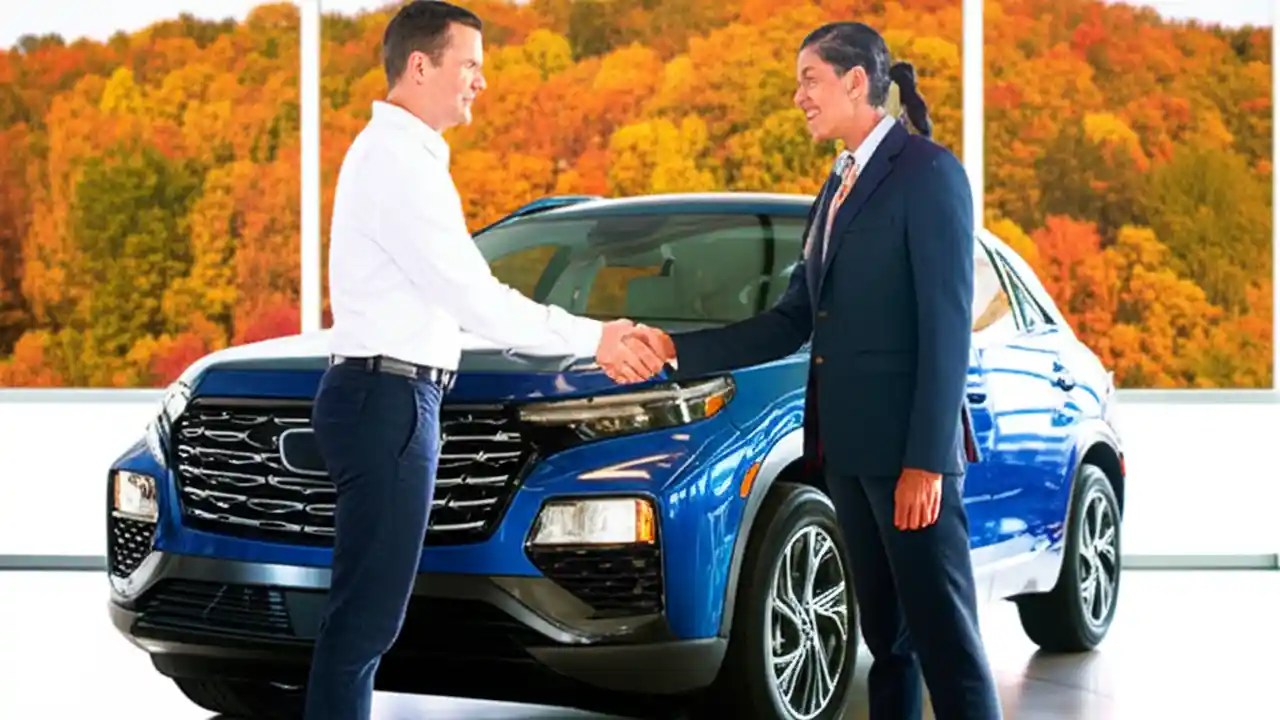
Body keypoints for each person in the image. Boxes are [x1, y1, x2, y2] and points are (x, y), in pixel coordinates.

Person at [630, 21, 1003, 720]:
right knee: (887, 643)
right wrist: (675, 348)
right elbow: (791, 321)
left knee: (946, 643)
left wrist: (927, 461)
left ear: (856, 81)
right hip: (846, 455)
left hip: (907, 462)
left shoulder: (928, 174)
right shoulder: (836, 188)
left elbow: (946, 328)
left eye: (809, 79)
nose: (797, 95)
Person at [305, 3, 663, 718]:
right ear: (419, 66)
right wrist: (595, 337)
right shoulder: (401, 164)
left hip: (386, 398)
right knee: (367, 619)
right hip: (391, 402)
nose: (482, 81)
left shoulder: (397, 158)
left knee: (364, 614)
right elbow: (476, 298)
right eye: (469, 64)